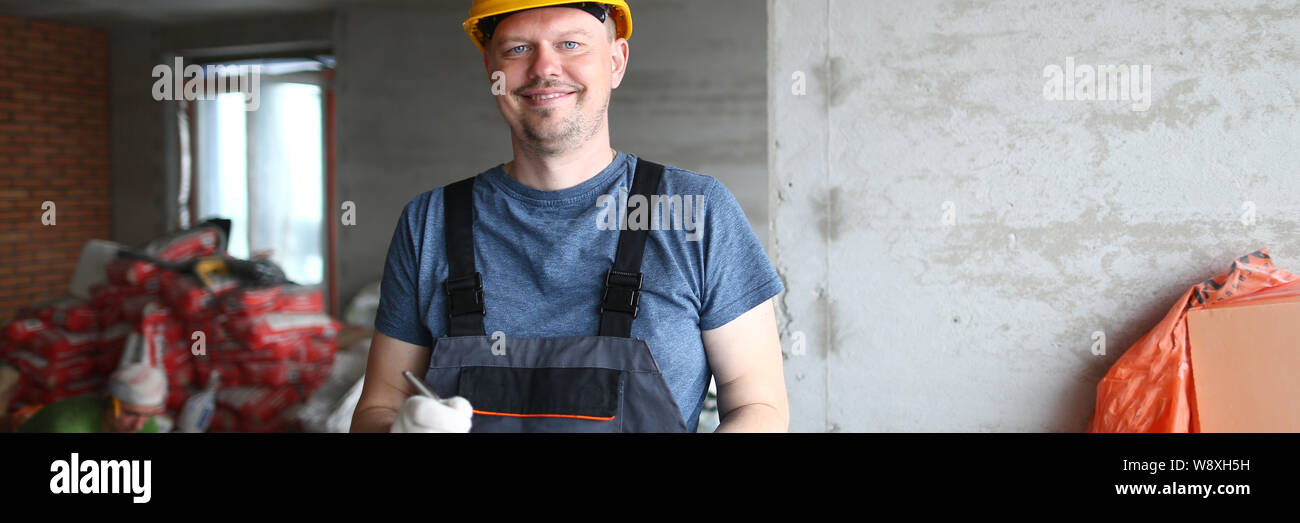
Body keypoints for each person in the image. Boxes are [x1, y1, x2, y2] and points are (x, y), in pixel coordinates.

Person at [352, 0, 788, 433]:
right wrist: (397, 430)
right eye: (518, 49)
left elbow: (759, 406)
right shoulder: (430, 222)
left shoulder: (697, 212)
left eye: (570, 44)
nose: (545, 68)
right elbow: (380, 403)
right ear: (492, 71)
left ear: (616, 62)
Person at [15, 363, 166, 433]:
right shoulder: (67, 426)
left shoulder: (143, 418)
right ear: (108, 401)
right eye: (129, 414)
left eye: (148, 415)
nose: (138, 426)